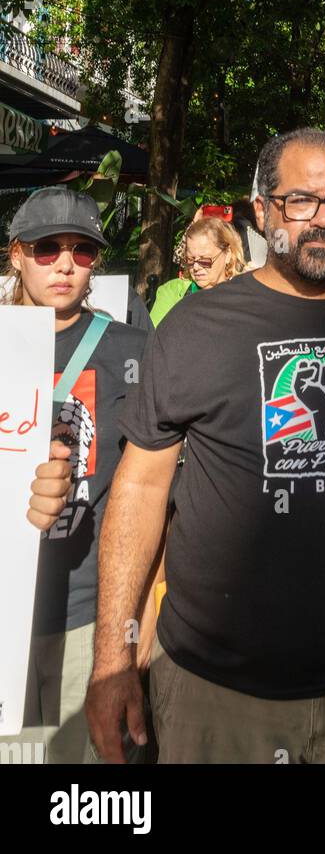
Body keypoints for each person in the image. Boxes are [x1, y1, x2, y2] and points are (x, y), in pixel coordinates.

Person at [86, 127, 325, 766]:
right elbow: (139, 490)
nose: (324, 220)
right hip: (217, 693)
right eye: (301, 200)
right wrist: (112, 662)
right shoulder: (192, 327)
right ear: (261, 210)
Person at [1, 186, 147, 762]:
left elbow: (155, 491)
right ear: (17, 254)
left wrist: (140, 623)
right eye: (46, 248)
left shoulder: (134, 349)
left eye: (82, 250)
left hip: (90, 617)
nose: (65, 263)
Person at [149, 215, 245, 326]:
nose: (196, 267)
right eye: (190, 259)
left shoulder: (241, 295)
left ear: (227, 254)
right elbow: (154, 337)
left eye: (205, 260)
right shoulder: (172, 292)